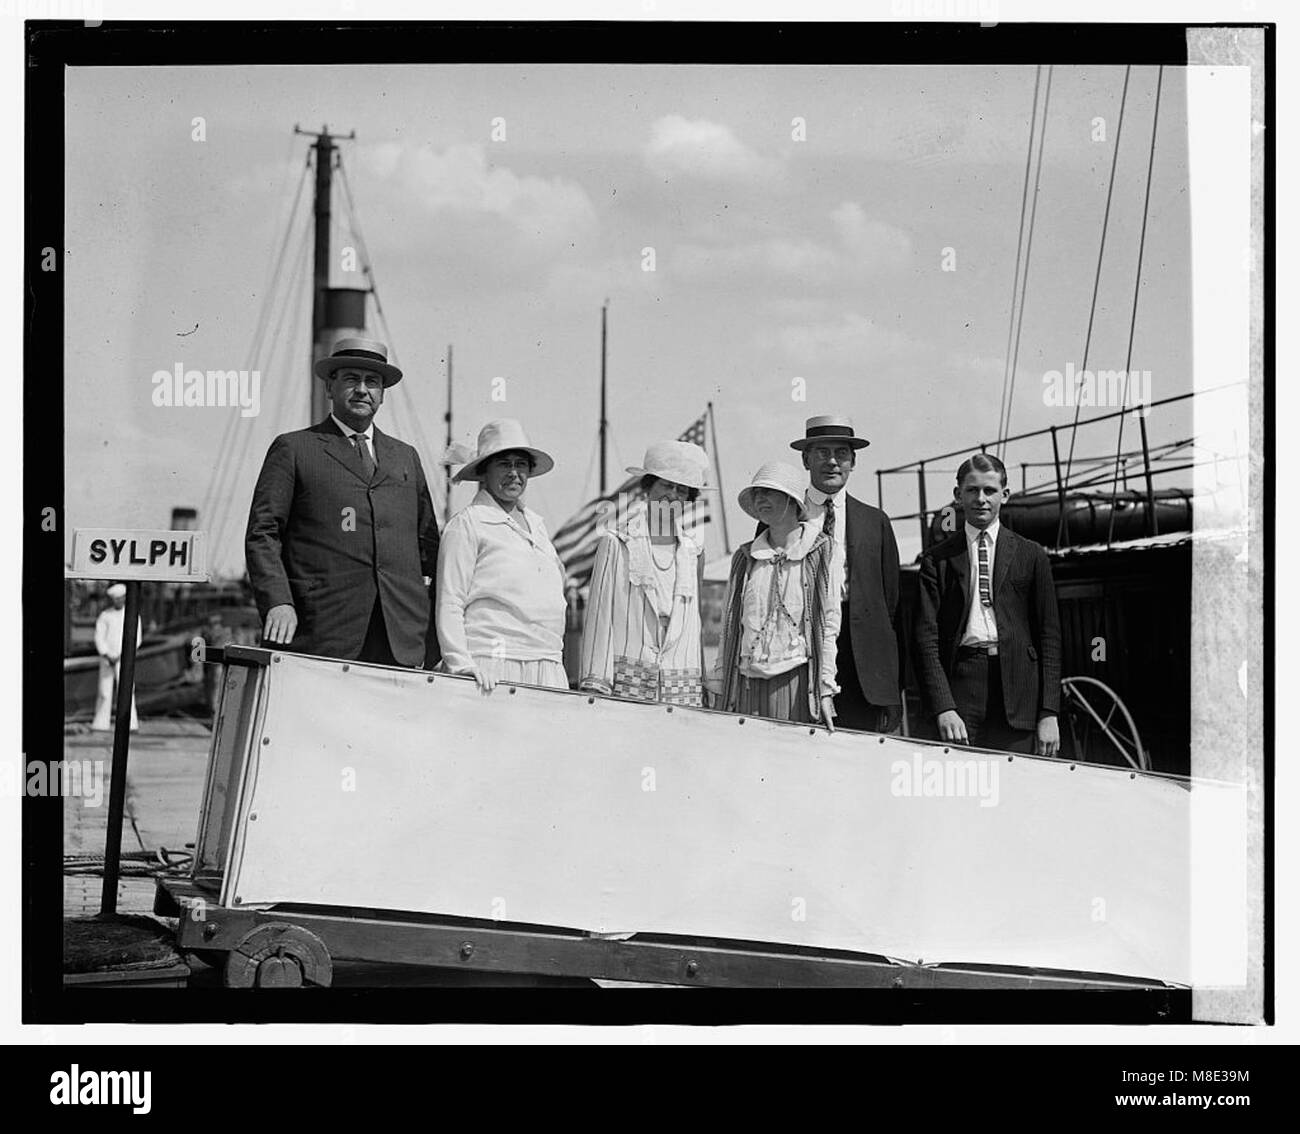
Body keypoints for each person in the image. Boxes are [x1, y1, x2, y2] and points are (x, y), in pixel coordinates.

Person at [245, 338, 440, 667]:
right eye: (351, 379)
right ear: (329, 387)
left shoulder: (405, 457)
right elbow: (263, 533)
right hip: (321, 632)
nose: (362, 390)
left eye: (372, 381)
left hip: (400, 638)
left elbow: (429, 546)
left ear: (382, 393)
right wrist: (278, 601)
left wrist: (434, 635)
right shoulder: (295, 449)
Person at [914, 452, 1062, 755]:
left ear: (1004, 495)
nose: (981, 499)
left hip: (1019, 693)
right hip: (961, 691)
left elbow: (1049, 637)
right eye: (972, 490)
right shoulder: (937, 560)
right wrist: (943, 706)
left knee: (1015, 780)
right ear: (958, 495)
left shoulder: (1032, 555)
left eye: (990, 490)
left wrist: (1049, 712)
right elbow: (925, 639)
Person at [790, 414, 904, 733]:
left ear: (853, 462)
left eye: (841, 453)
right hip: (801, 654)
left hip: (861, 665)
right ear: (805, 459)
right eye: (822, 452)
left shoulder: (875, 521)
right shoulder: (785, 516)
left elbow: (891, 609)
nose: (832, 462)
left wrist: (890, 689)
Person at [437, 419, 568, 692]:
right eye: (504, 464)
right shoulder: (468, 523)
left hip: (548, 663)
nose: (514, 473)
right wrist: (460, 663)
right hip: (492, 663)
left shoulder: (538, 526)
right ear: (484, 471)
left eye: (521, 465)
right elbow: (451, 599)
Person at [579, 440, 709, 706]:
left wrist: (702, 684)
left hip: (679, 688)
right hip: (627, 683)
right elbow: (599, 617)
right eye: (666, 485)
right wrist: (596, 683)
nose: (672, 495)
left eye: (682, 490)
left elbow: (694, 625)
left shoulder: (692, 552)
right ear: (648, 487)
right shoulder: (617, 543)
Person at [710, 462, 840, 727]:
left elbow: (828, 624)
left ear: (792, 500)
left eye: (768, 492)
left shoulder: (821, 551)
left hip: (796, 682)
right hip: (746, 684)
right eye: (757, 493)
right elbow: (729, 626)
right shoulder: (745, 558)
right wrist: (720, 685)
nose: (760, 499)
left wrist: (825, 688)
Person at [91, 583, 140, 732]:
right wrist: (106, 653)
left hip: (124, 658)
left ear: (125, 598)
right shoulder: (105, 615)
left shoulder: (133, 614)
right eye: (115, 598)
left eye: (120, 598)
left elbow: (137, 638)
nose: (118, 601)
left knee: (127, 690)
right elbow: (99, 636)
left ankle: (130, 724)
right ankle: (100, 724)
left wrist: (122, 655)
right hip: (107, 658)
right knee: (104, 691)